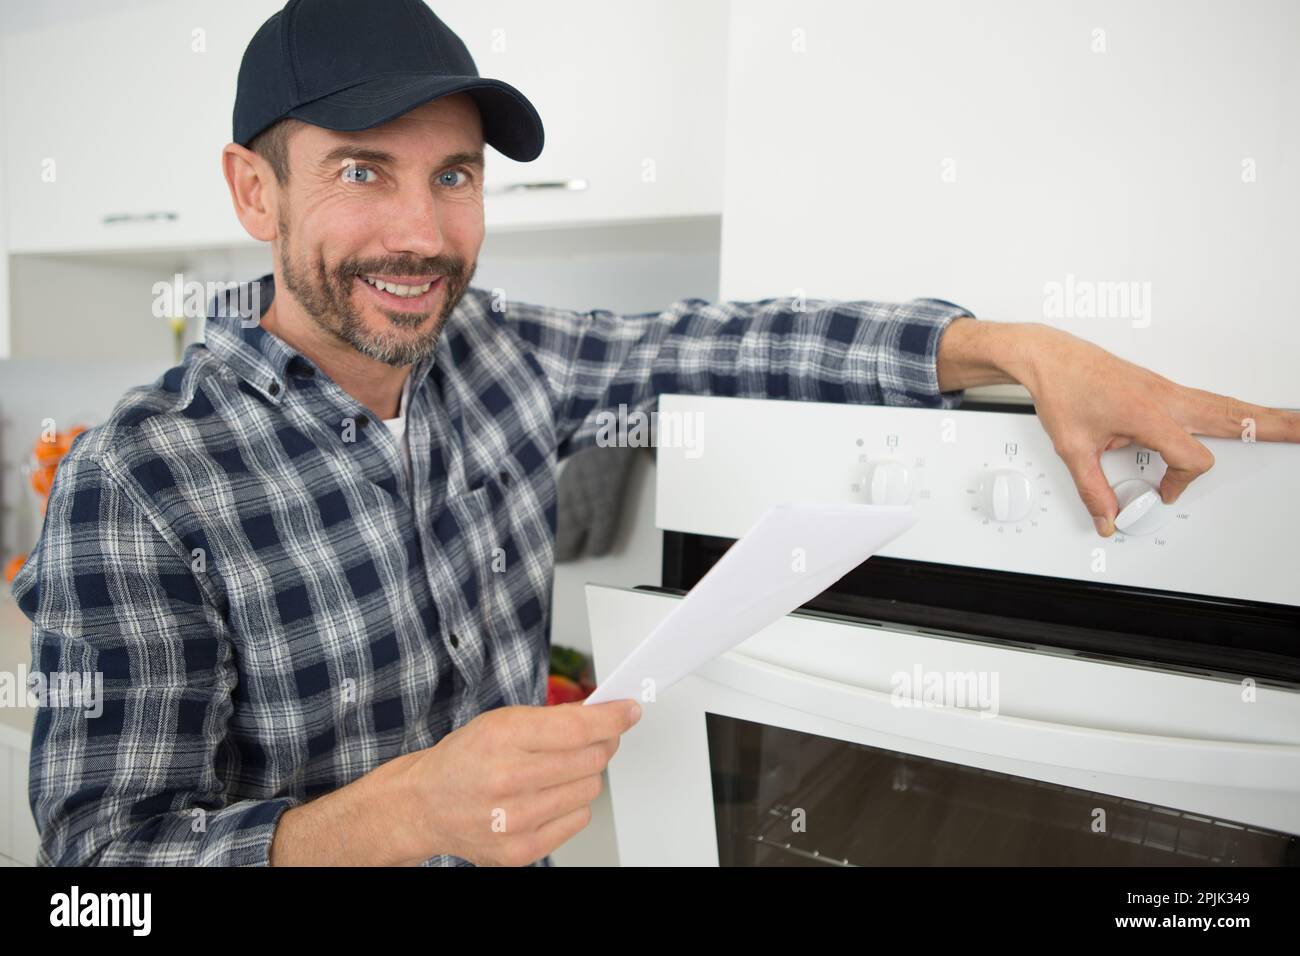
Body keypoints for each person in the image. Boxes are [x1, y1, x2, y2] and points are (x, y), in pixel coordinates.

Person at [12, 0, 1299, 867]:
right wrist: (396, 813)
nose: (421, 231)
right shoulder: (141, 480)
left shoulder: (500, 360)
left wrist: (1016, 348)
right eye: (362, 169)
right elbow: (89, 876)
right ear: (255, 190)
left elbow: (721, 342)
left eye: (453, 174)